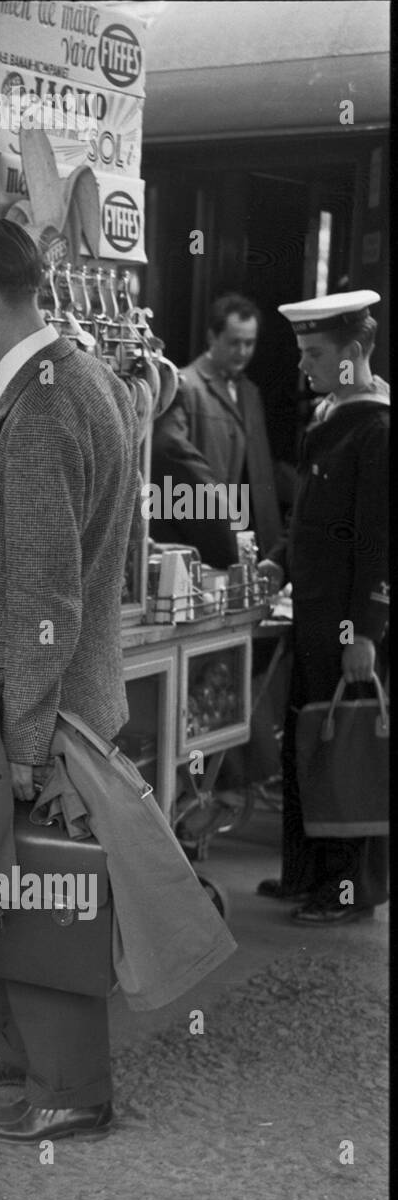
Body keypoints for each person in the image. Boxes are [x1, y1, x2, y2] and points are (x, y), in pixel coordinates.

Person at [0, 219, 139, 1144]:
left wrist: (30, 743)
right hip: (77, 693)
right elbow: (64, 540)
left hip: (43, 708)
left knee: (45, 895)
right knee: (40, 893)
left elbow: (48, 593)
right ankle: (41, 1062)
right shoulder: (82, 379)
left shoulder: (39, 404)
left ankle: (68, 1093)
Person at [256, 290, 389, 926]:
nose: (304, 366)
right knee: (305, 745)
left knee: (345, 751)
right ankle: (304, 876)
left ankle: (348, 890)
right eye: (303, 353)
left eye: (315, 354)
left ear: (355, 352)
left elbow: (377, 543)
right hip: (308, 611)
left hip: (345, 623)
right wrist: (277, 558)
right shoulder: (330, 415)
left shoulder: (376, 429)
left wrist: (366, 630)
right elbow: (309, 516)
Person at [151, 294, 285, 566]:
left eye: (250, 343)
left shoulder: (249, 392)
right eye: (234, 342)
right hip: (198, 525)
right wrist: (219, 505)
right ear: (212, 337)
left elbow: (260, 473)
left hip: (238, 528)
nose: (243, 352)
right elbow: (168, 451)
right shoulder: (185, 385)